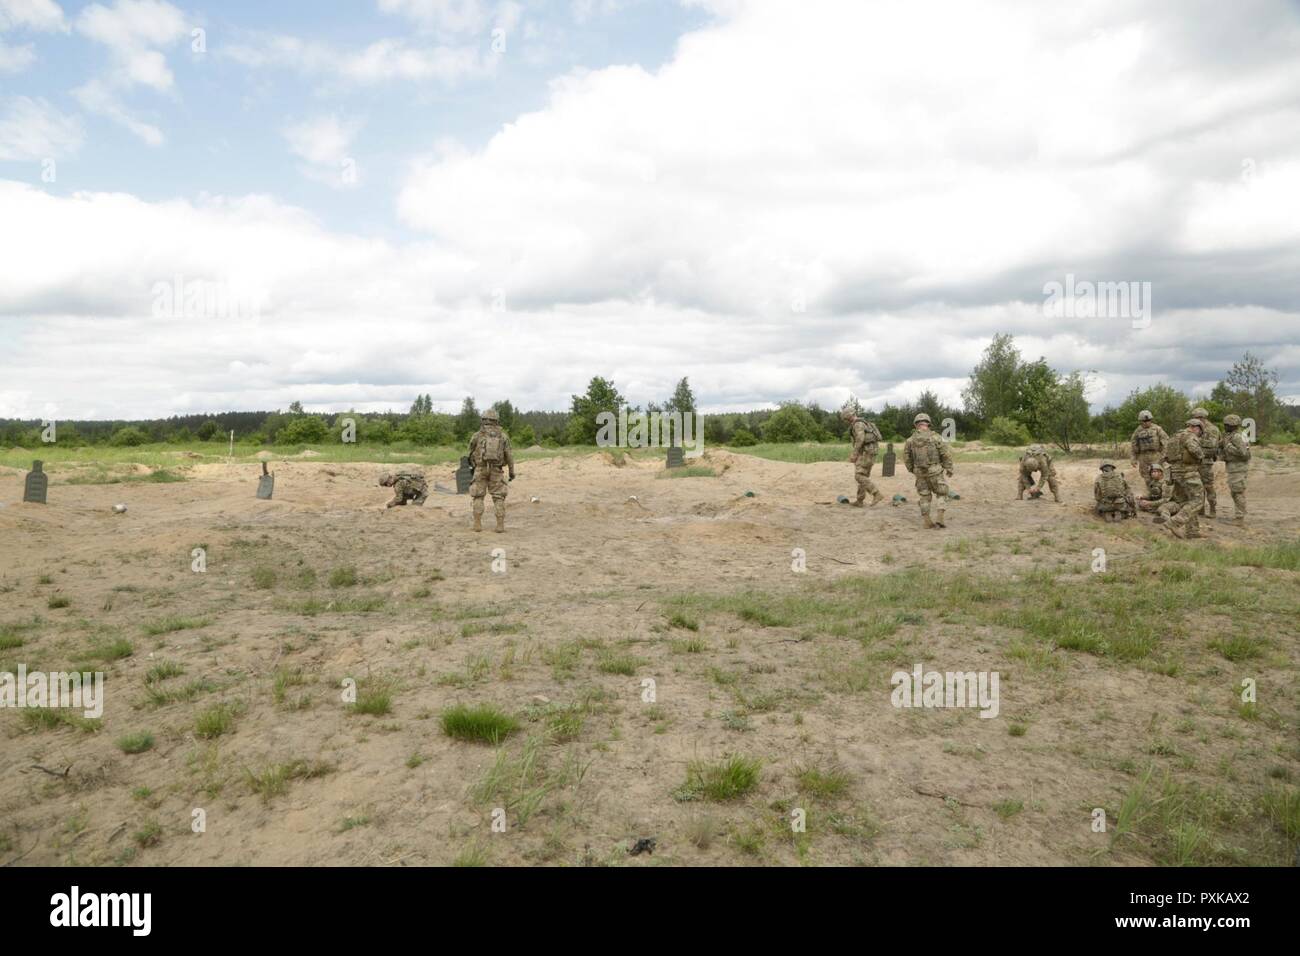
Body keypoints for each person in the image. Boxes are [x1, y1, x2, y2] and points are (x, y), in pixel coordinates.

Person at [468, 408, 515, 532]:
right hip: (497, 470)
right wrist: (511, 472)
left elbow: (470, 451)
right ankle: (500, 525)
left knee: (478, 497)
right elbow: (509, 455)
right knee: (498, 497)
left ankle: (477, 524)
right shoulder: (503, 436)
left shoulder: (477, 435)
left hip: (480, 469)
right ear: (496, 420)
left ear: (483, 420)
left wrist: (474, 466)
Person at [903, 413, 953, 529]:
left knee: (924, 496)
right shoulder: (936, 437)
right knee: (942, 493)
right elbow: (945, 454)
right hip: (935, 471)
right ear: (928, 424)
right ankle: (940, 518)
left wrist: (913, 470)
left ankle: (927, 521)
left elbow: (907, 458)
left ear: (916, 425)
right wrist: (949, 468)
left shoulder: (910, 440)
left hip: (920, 473)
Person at [1164, 418, 1205, 539]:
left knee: (1186, 501)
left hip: (1175, 472)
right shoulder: (1189, 436)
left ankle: (1192, 531)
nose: (1199, 434)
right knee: (1198, 501)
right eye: (1199, 432)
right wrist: (1201, 456)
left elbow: (1166, 455)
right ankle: (1175, 522)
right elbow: (1195, 450)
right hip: (1188, 472)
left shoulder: (1174, 437)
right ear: (1196, 427)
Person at [841, 405, 885, 507]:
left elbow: (860, 439)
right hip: (869, 451)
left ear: (848, 417)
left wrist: (854, 454)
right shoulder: (863, 423)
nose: (845, 421)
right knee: (863, 476)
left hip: (866, 452)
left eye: (845, 419)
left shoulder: (858, 424)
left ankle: (876, 493)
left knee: (859, 476)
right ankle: (860, 501)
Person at [1129, 410, 1169, 498]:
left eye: (1148, 420)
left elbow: (1166, 442)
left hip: (1156, 455)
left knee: (1158, 476)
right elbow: (1133, 445)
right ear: (1140, 421)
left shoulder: (1157, 429)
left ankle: (1161, 495)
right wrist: (1133, 458)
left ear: (1151, 420)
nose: (1146, 422)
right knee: (1146, 477)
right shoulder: (1137, 431)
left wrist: (1164, 455)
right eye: (1144, 421)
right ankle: (1150, 495)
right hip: (1143, 457)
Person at [1219, 413, 1251, 522]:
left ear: (1233, 425)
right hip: (1233, 467)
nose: (1225, 426)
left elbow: (1244, 454)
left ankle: (1240, 517)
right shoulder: (1230, 435)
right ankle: (1239, 515)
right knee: (1235, 492)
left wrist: (1228, 447)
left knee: (1238, 492)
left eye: (1227, 425)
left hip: (1239, 468)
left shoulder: (1239, 436)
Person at [1191, 407, 1221, 517]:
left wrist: (1197, 443)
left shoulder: (1212, 429)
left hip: (1206, 461)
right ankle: (1200, 509)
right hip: (1194, 461)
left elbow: (1212, 446)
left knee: (1208, 486)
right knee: (1197, 486)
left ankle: (1213, 509)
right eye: (1195, 418)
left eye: (1199, 417)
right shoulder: (1192, 427)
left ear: (1204, 417)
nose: (1197, 419)